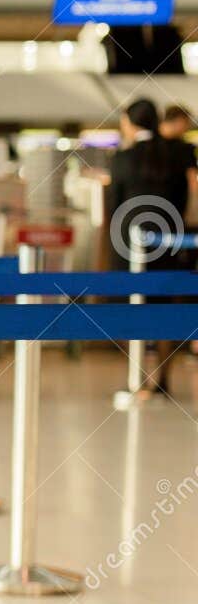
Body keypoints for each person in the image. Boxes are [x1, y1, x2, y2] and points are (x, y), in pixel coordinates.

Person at [111, 99, 191, 392]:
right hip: (168, 238)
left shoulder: (122, 158)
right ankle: (163, 380)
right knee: (164, 306)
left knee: (129, 307)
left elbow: (114, 205)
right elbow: (182, 200)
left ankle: (138, 378)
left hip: (128, 242)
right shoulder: (176, 154)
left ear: (131, 123)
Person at [160, 104, 198, 214]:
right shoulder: (185, 149)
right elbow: (192, 181)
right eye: (187, 123)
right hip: (176, 207)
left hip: (148, 206)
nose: (188, 128)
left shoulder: (146, 146)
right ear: (180, 121)